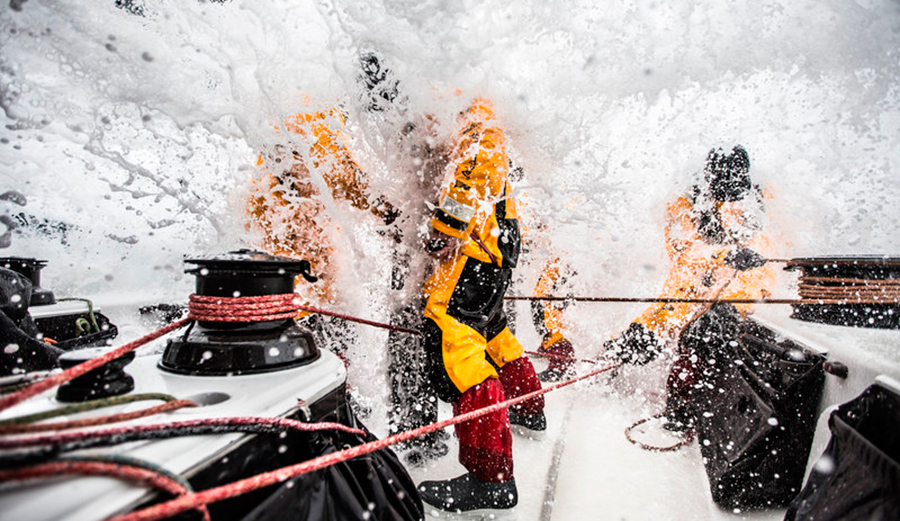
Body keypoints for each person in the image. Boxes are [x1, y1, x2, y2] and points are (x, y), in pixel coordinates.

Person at [416, 98, 545, 512]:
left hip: (472, 255)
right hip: (493, 253)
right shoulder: (491, 127)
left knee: (456, 344)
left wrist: (441, 230)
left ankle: (490, 477)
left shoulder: (478, 126)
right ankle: (528, 407)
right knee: (493, 332)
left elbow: (466, 183)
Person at [604, 145, 775, 430]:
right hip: (690, 287)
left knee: (707, 332)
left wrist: (751, 253)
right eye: (721, 181)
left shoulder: (760, 201)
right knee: (643, 336)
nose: (728, 189)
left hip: (742, 291)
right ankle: (608, 361)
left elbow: (771, 245)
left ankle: (685, 404)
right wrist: (723, 255)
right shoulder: (688, 203)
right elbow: (683, 253)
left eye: (735, 183)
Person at [531, 255, 578, 382]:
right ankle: (550, 345)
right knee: (542, 299)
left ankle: (562, 360)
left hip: (568, 255)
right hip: (563, 255)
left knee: (544, 302)